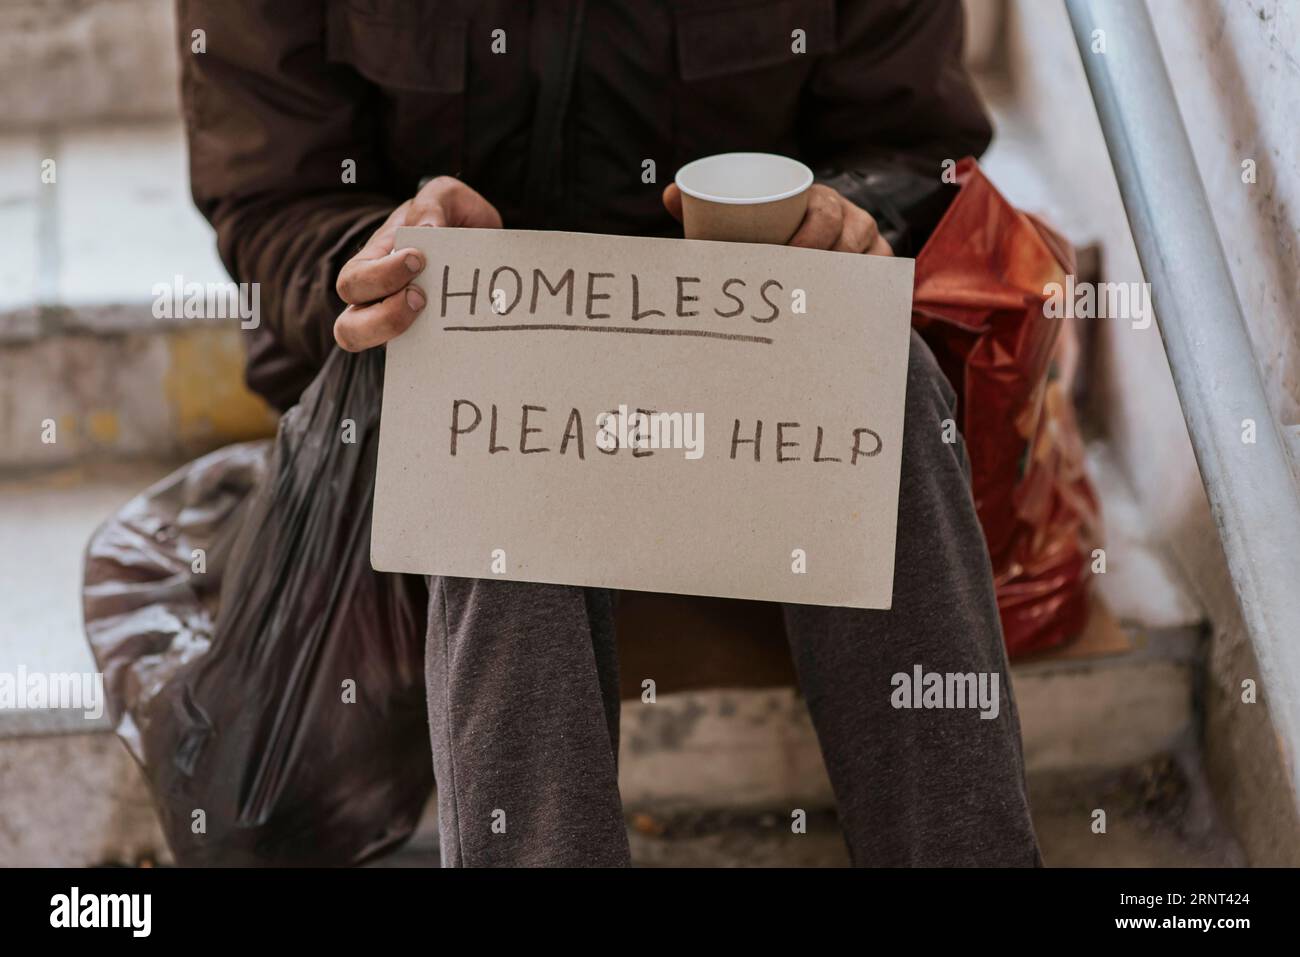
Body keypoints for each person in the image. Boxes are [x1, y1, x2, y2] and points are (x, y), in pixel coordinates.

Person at [179, 0, 1040, 866]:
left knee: (885, 378)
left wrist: (847, 218)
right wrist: (378, 257)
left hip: (731, 386)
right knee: (499, 416)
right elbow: (268, 194)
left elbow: (915, 147)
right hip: (419, 392)